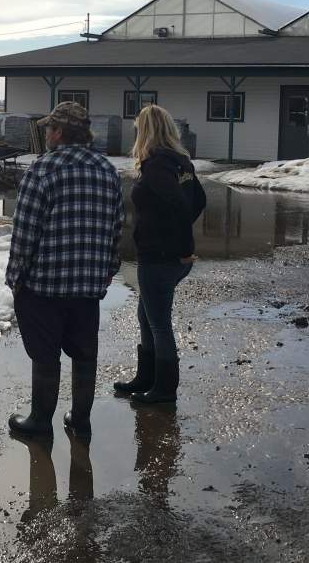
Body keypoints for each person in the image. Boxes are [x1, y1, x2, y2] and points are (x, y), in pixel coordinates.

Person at [6, 101, 124, 439]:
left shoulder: (42, 170)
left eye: (47, 129)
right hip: (88, 288)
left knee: (46, 355)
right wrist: (107, 271)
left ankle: (40, 422)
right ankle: (81, 422)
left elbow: (25, 233)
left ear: (58, 132)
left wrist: (15, 278)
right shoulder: (107, 170)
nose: (45, 134)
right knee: (84, 354)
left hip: (44, 286)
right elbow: (118, 227)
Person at [114, 104, 206, 404]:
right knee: (146, 316)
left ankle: (164, 390)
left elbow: (180, 205)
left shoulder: (157, 167)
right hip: (169, 256)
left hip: (162, 257)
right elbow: (199, 201)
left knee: (158, 323)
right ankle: (147, 377)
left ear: (146, 131)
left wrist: (180, 247)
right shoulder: (181, 162)